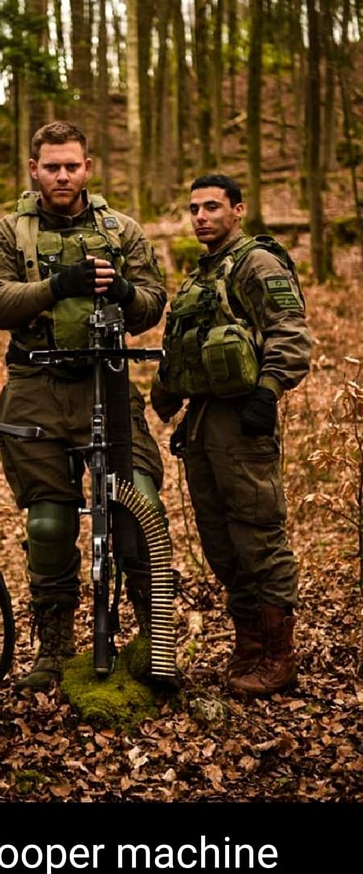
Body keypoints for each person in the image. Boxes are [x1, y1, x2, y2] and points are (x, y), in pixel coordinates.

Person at [0, 121, 167, 690]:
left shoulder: (120, 230)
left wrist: (124, 292)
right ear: (34, 169)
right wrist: (57, 286)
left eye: (72, 166)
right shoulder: (9, 233)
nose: (63, 175)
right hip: (36, 385)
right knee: (49, 522)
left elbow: (154, 301)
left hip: (109, 381)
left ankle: (153, 640)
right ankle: (55, 648)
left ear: (88, 168)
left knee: (140, 505)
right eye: (52, 166)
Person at [151, 173, 311, 695]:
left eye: (212, 207)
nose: (201, 217)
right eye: (194, 208)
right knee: (220, 541)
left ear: (237, 211)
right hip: (204, 422)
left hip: (244, 419)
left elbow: (290, 332)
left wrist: (268, 391)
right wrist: (173, 400)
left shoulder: (256, 263)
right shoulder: (200, 277)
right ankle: (248, 646)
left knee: (257, 534)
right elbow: (186, 347)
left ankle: (279, 654)